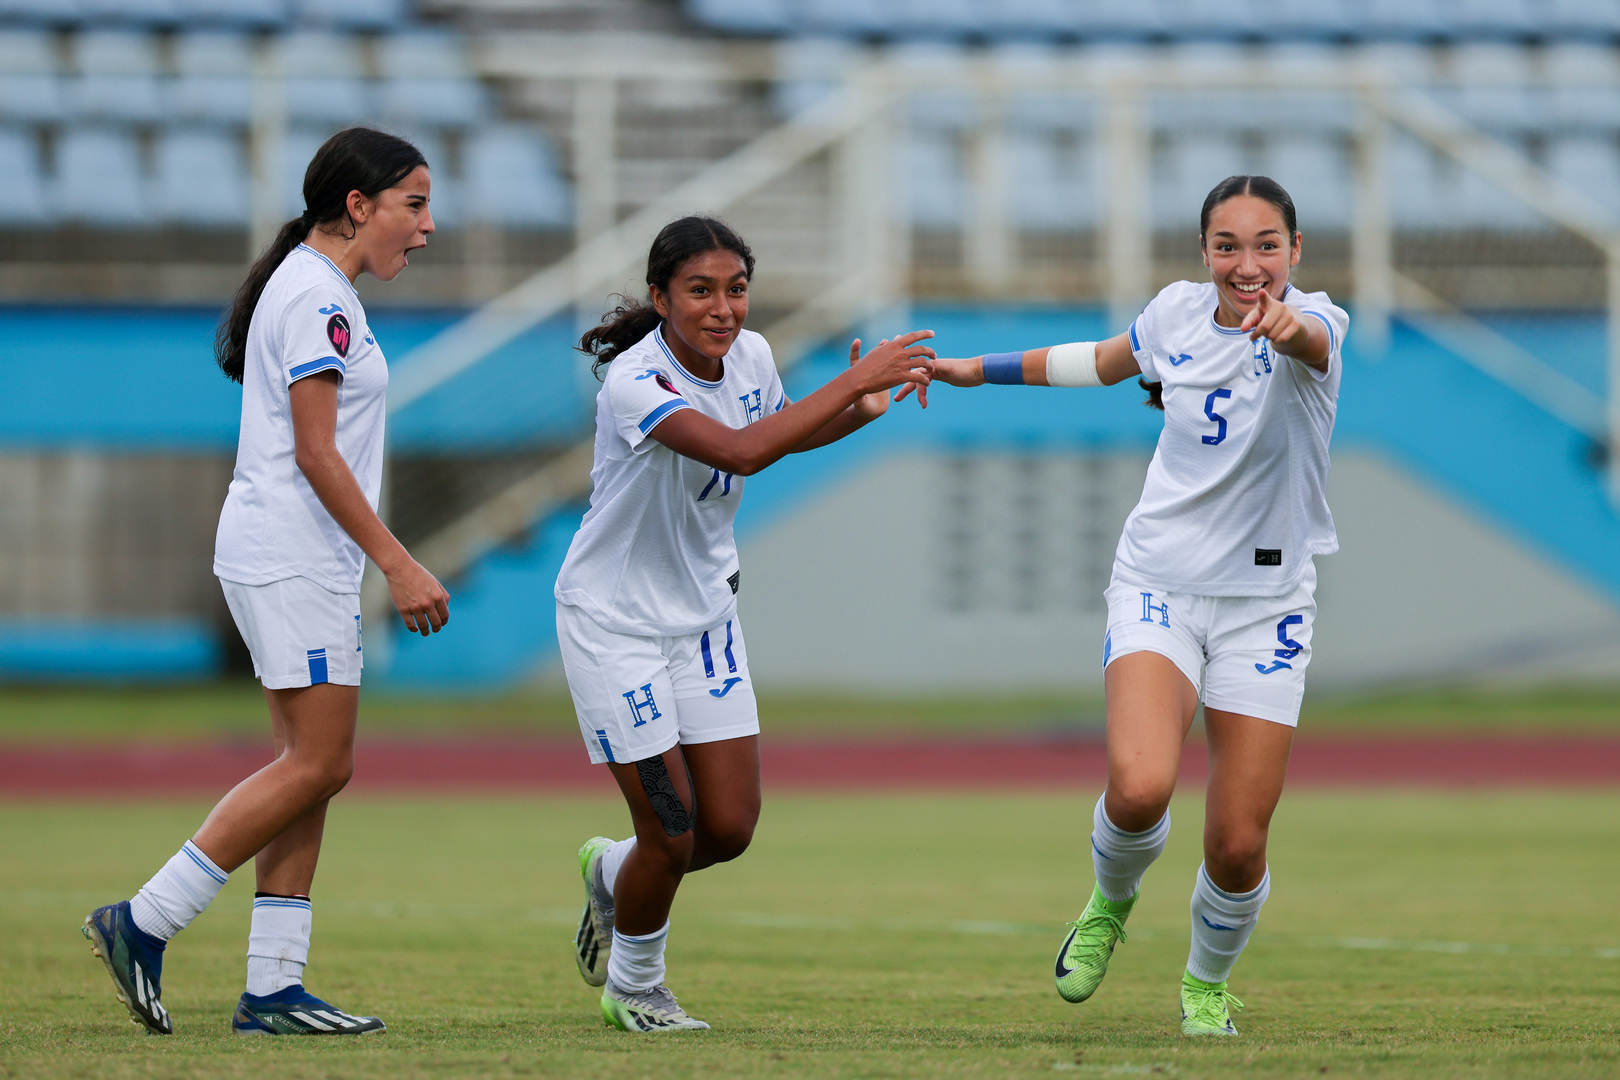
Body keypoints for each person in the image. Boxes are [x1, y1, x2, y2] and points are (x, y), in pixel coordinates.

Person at [910, 176, 1347, 1036]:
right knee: (1141, 787)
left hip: (1267, 604)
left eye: (1267, 244)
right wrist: (977, 372)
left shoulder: (1321, 320)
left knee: (1238, 842)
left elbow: (1310, 339)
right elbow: (1101, 361)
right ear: (1204, 253)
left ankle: (1204, 985)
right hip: (1160, 582)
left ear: (1294, 252)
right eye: (1228, 245)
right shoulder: (1176, 315)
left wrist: (1283, 323)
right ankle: (1109, 905)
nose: (1248, 263)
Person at [82, 128, 451, 1037]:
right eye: (414, 204)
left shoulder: (312, 287)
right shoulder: (317, 298)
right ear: (358, 206)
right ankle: (144, 920)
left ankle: (275, 989)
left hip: (293, 552)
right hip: (293, 552)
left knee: (310, 771)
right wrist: (397, 561)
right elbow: (318, 453)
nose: (428, 226)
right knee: (323, 762)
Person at [558, 215, 934, 1033]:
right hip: (614, 626)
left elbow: (778, 432)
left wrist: (859, 407)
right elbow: (739, 451)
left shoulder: (753, 356)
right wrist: (854, 377)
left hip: (704, 619)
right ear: (660, 299)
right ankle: (635, 988)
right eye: (700, 291)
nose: (723, 308)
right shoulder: (635, 379)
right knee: (673, 827)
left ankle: (609, 873)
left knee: (724, 829)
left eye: (735, 289)